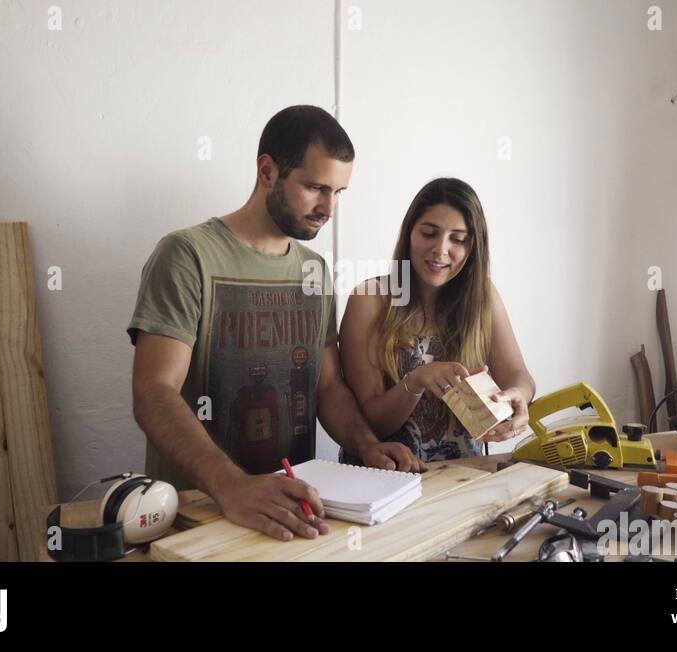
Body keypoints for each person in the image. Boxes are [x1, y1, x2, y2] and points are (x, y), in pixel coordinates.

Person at [127, 106, 425, 542]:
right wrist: (231, 485)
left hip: (290, 513)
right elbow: (153, 392)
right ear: (267, 171)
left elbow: (327, 386)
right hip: (199, 515)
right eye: (315, 188)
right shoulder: (187, 255)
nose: (329, 208)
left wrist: (365, 445)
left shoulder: (314, 270)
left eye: (339, 192)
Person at [338, 178, 536, 462]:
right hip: (387, 479)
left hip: (462, 478)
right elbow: (372, 423)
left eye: (457, 239)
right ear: (409, 234)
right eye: (429, 233)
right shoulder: (370, 299)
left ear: (473, 248)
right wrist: (415, 381)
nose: (440, 250)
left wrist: (518, 395)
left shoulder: (484, 297)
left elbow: (519, 376)